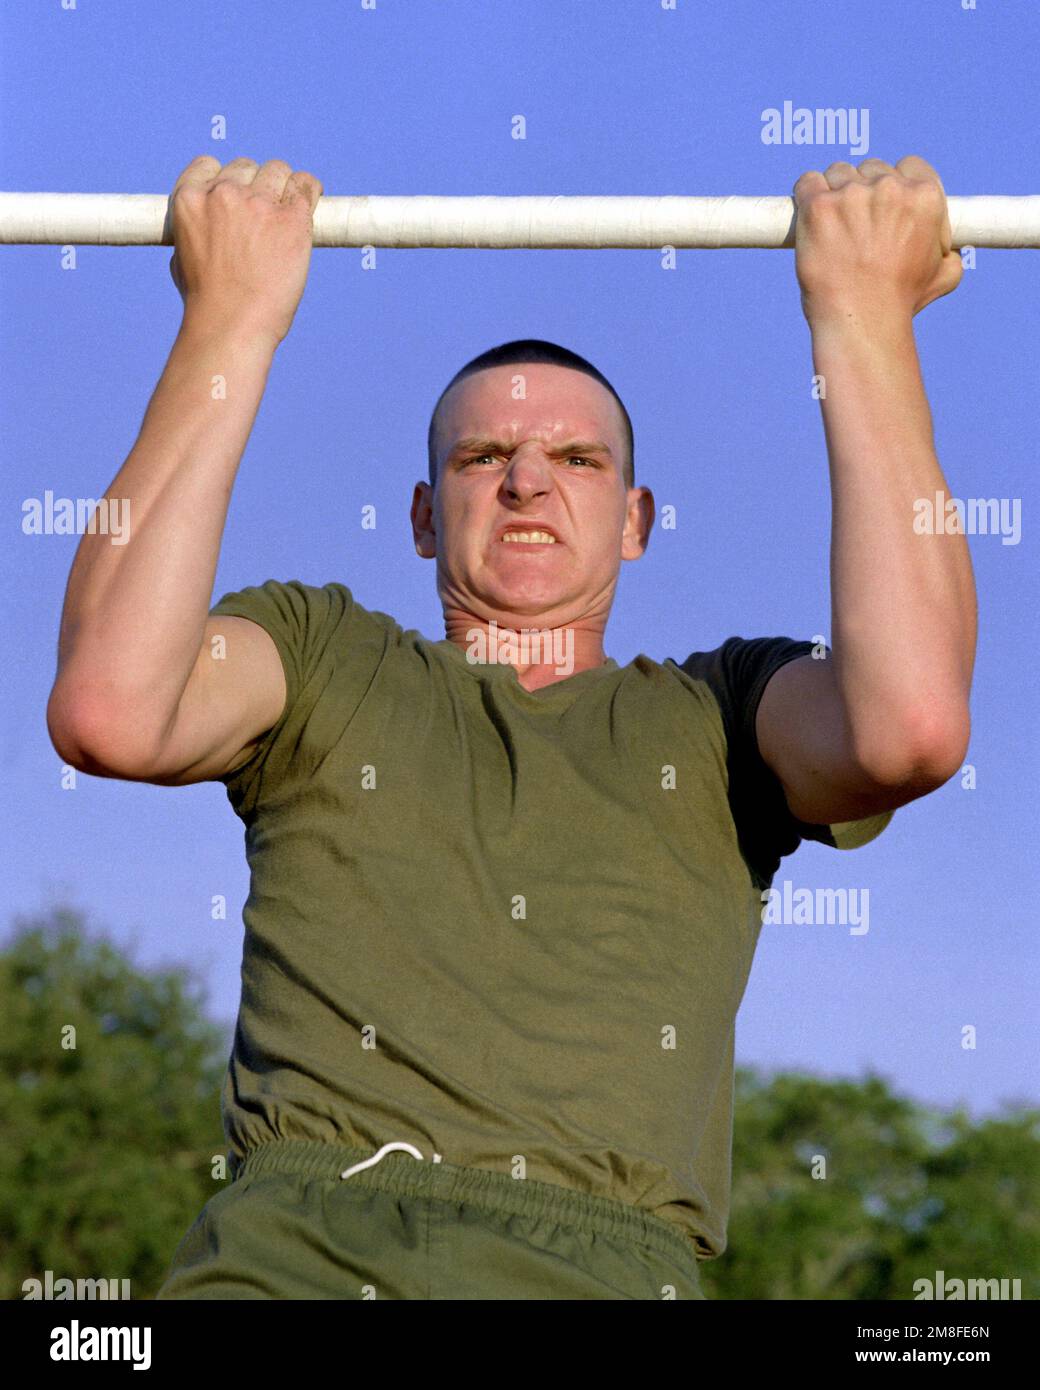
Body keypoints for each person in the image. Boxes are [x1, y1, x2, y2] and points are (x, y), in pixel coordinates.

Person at [46, 153, 976, 1300]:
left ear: (634, 520)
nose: (528, 480)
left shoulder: (722, 711)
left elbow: (913, 725)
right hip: (298, 1255)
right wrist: (230, 323)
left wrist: (861, 318)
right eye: (484, 456)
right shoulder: (323, 654)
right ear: (426, 516)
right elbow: (109, 708)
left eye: (575, 459)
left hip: (597, 1265)